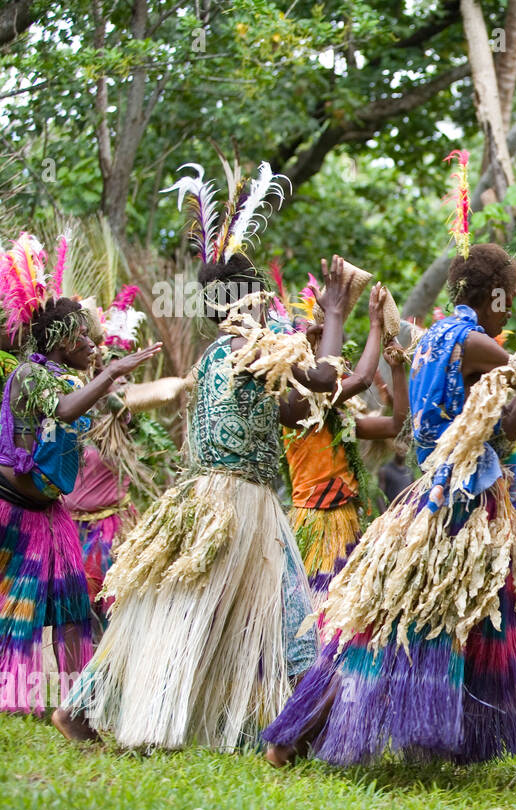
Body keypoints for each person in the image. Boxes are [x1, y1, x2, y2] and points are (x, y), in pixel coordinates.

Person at [262, 241, 516, 780]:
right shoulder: (474, 342)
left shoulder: (436, 338)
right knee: (396, 625)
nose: (511, 311)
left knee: (505, 622)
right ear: (493, 296)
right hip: (459, 509)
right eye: (511, 299)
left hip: (446, 504)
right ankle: (293, 737)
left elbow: (504, 435)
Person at [53, 161, 339, 750]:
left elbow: (283, 411)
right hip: (239, 503)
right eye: (264, 299)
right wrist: (334, 315)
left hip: (204, 497)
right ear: (252, 300)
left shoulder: (217, 357)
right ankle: (297, 730)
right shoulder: (254, 347)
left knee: (169, 603)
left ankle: (88, 706)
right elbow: (324, 378)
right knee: (288, 614)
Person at [0, 234, 162, 715]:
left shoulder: (69, 378)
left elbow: (100, 408)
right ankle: (14, 700)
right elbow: (67, 411)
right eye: (85, 338)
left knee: (73, 608)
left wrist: (119, 396)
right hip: (14, 509)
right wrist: (109, 376)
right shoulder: (31, 376)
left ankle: (76, 701)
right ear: (64, 341)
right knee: (17, 608)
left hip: (52, 511)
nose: (93, 345)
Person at [280, 282, 409, 606]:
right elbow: (363, 378)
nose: (335, 356)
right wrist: (376, 326)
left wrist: (396, 371)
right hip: (317, 527)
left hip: (349, 522)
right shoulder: (302, 406)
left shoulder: (338, 420)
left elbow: (397, 424)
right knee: (319, 612)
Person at [65, 286, 184, 622]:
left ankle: (109, 675)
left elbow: (142, 398)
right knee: (76, 618)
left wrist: (183, 382)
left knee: (114, 614)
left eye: (93, 345)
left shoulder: (114, 394)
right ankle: (80, 675)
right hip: (69, 528)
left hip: (111, 527)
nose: (91, 352)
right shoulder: (60, 395)